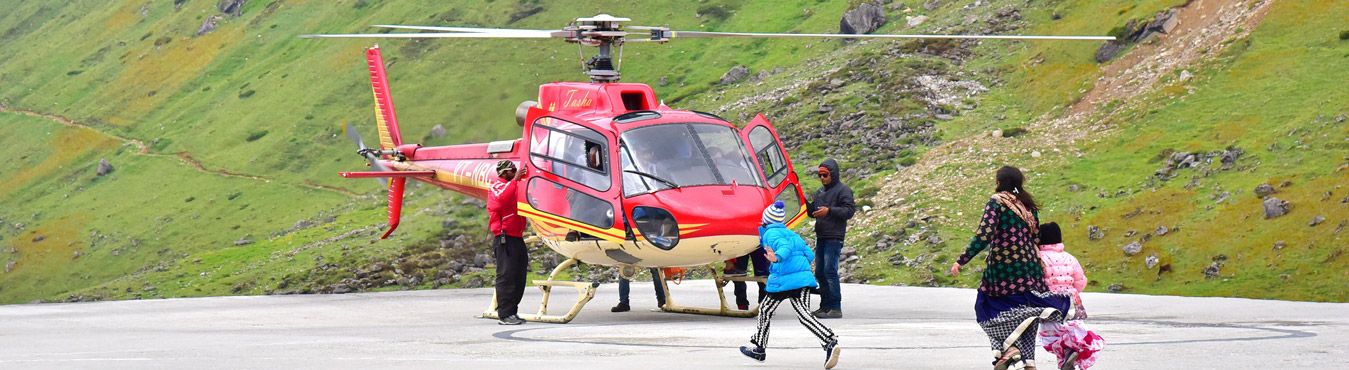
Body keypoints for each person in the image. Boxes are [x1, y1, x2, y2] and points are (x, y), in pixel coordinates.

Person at [949, 166, 1071, 370]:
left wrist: (962, 260)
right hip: (1031, 269)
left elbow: (984, 234)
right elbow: (1037, 238)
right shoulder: (1028, 205)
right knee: (1029, 311)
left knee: (986, 308)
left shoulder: (997, 202)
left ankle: (1008, 349)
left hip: (1004, 268)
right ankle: (1029, 363)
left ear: (999, 182)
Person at [740, 201, 841, 369]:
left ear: (766, 220)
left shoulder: (770, 234)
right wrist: (799, 268)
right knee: (802, 314)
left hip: (783, 281)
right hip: (801, 280)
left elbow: (784, 248)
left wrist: (777, 257)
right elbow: (808, 254)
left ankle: (760, 348)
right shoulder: (792, 234)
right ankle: (829, 342)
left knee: (765, 310)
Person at [1035, 222, 1105, 370]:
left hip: (1049, 302)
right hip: (1072, 301)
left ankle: (1067, 353)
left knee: (1051, 335)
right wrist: (1072, 291)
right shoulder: (1070, 258)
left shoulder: (1038, 258)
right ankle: (1069, 355)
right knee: (1074, 329)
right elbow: (1080, 281)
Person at [806, 159, 854, 319]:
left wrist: (829, 211)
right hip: (822, 235)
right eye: (819, 175)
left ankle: (835, 307)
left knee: (830, 271)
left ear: (833, 174)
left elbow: (849, 211)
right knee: (819, 272)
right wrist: (803, 202)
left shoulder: (843, 190)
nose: (822, 178)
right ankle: (824, 306)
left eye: (825, 175)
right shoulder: (820, 192)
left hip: (835, 236)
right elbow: (812, 212)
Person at [488, 160, 529, 325]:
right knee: (506, 276)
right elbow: (499, 201)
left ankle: (512, 311)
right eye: (512, 170)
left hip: (517, 237)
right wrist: (515, 181)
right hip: (504, 239)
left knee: (519, 276)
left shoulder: (514, 186)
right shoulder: (497, 186)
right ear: (505, 173)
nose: (515, 172)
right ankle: (505, 314)